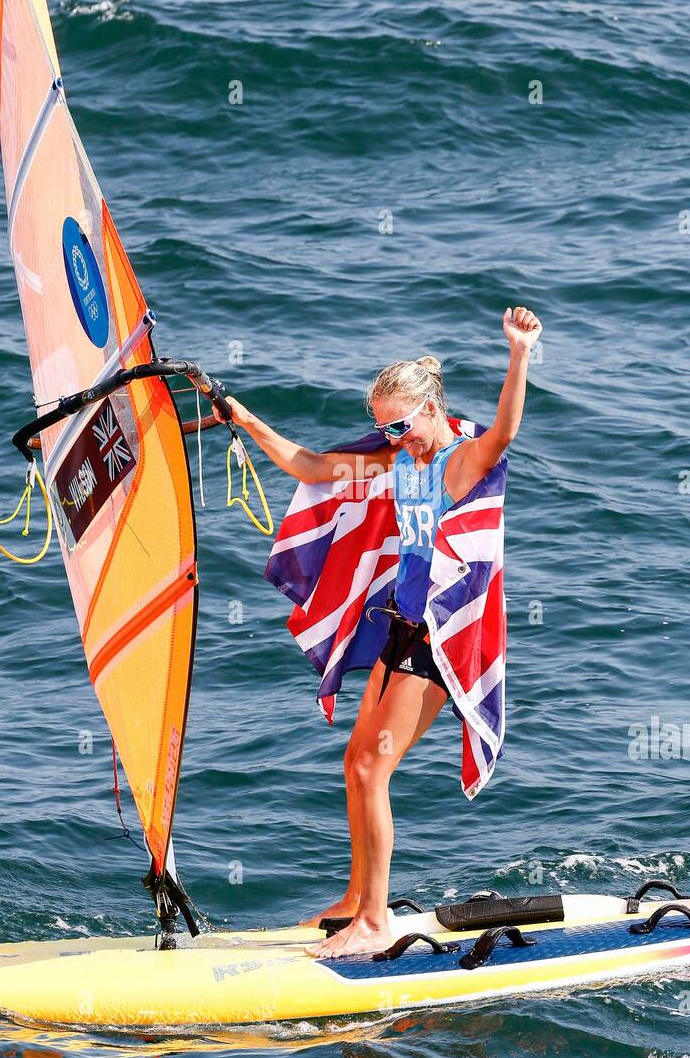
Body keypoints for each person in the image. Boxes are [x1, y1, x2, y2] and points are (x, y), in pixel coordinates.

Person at [227, 305, 542, 956]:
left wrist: (518, 354)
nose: (395, 437)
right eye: (385, 429)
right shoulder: (397, 465)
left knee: (374, 768)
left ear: (431, 410)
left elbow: (506, 431)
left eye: (402, 424)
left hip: (436, 645)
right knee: (355, 764)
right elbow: (313, 469)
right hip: (397, 634)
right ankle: (354, 899)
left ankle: (374, 922)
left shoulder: (461, 463)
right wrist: (245, 418)